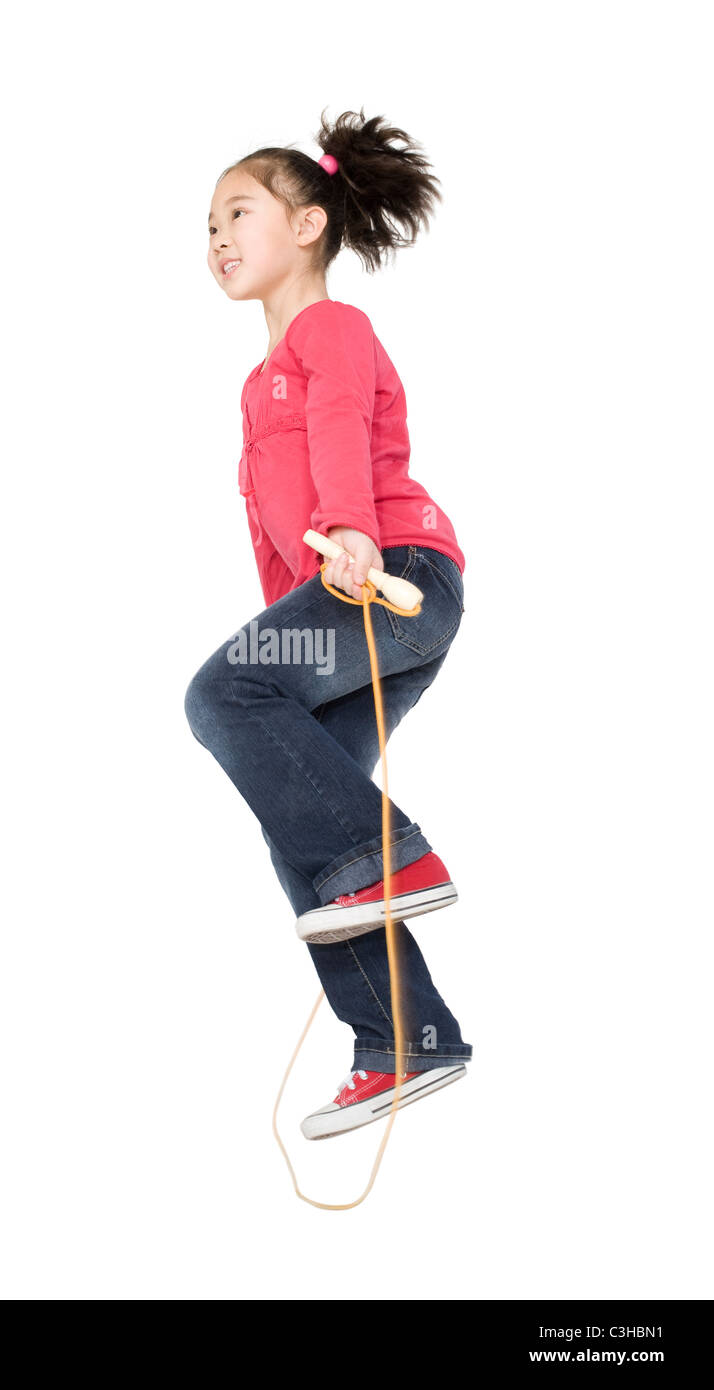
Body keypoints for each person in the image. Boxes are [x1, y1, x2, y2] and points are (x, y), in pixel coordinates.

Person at [184, 108, 473, 1140]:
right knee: (295, 820)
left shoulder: (327, 331)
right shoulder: (253, 385)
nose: (215, 236)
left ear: (306, 227)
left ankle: (397, 853)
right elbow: (273, 544)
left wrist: (348, 527)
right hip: (340, 601)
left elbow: (345, 420)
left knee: (218, 693)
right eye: (205, 224)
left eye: (237, 212)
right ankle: (404, 1036)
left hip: (396, 573)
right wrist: (287, 636)